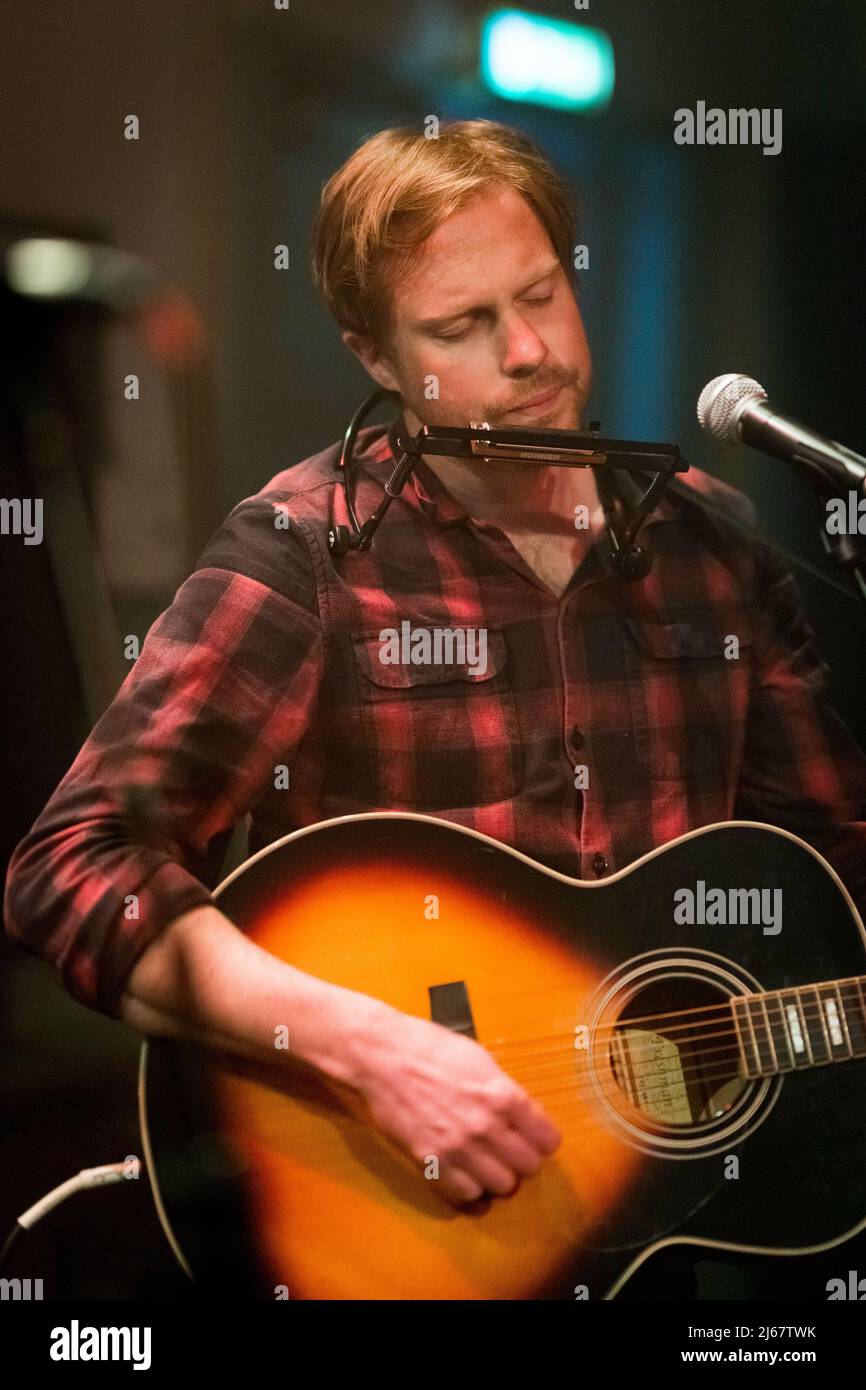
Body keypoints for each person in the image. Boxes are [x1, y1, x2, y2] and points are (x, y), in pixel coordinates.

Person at [4, 120, 866, 1222]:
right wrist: (368, 1050)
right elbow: (68, 865)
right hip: (398, 1214)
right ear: (375, 356)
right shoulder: (304, 553)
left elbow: (835, 862)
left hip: (656, 1201)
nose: (529, 354)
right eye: (461, 326)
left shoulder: (713, 545)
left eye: (542, 294)